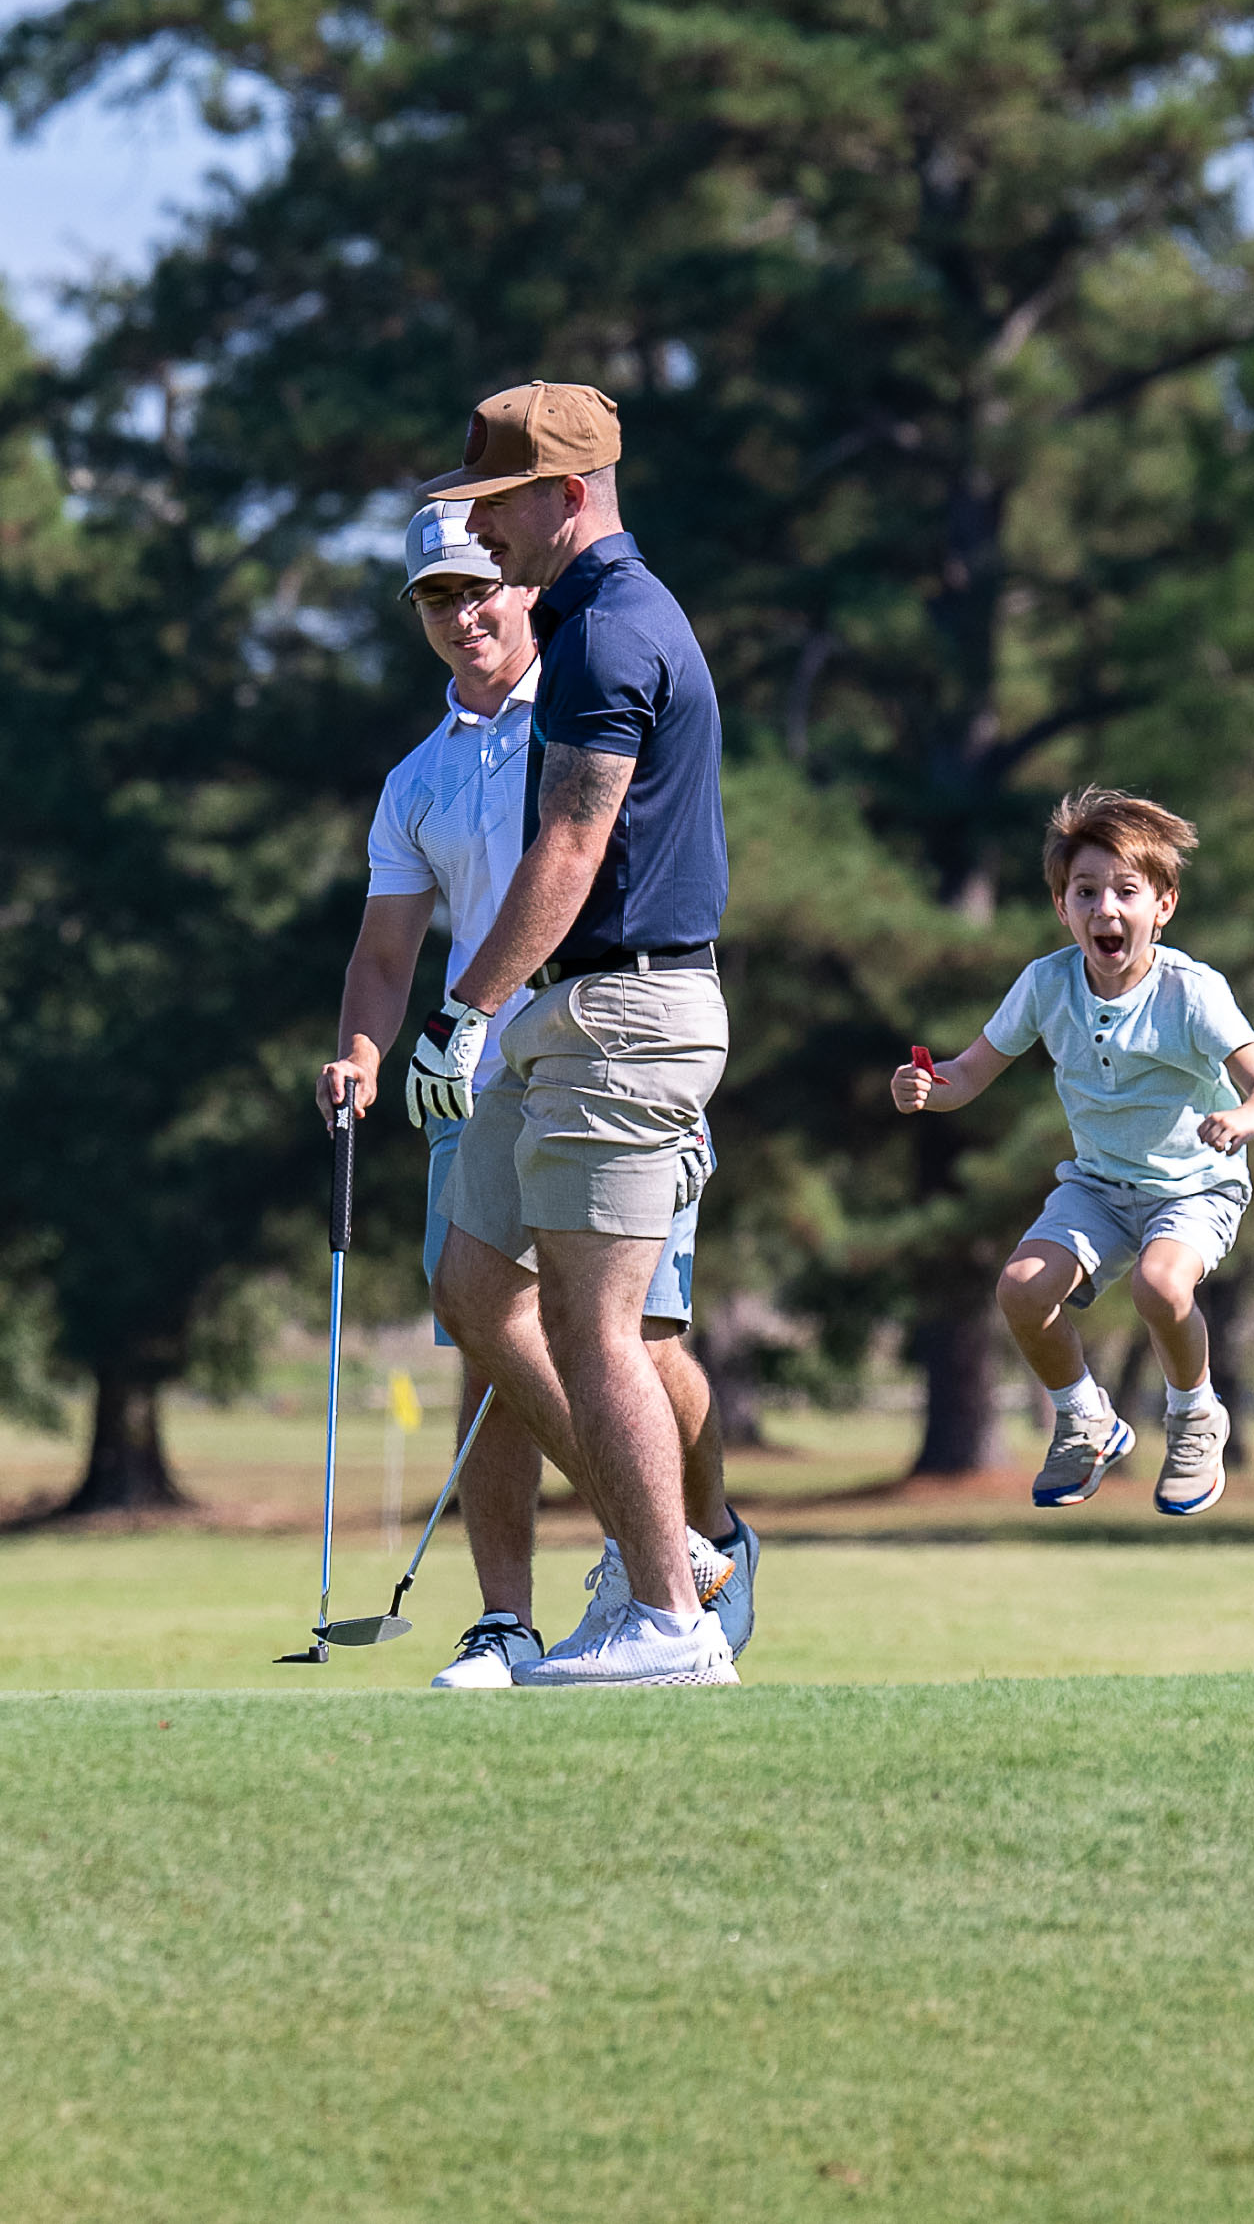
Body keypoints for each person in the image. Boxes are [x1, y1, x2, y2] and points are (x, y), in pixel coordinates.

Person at [317, 498, 756, 1690]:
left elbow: (583, 856)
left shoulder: (585, 688)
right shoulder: (415, 778)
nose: (465, 613)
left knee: (630, 1336)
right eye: (436, 598)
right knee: (483, 1319)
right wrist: (366, 1047)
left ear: (519, 579)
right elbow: (383, 948)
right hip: (481, 1075)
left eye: (479, 585)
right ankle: (523, 1614)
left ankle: (688, 1553)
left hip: (607, 1039)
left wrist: (463, 1015)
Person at [891, 788, 1254, 1517]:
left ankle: (1195, 1415)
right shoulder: (1046, 984)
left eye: (1125, 891)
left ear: (1163, 905)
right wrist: (926, 1086)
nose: (1105, 907)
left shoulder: (1192, 992)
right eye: (1085, 891)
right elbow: (968, 1071)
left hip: (1194, 1187)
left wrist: (1244, 1117)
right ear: (1061, 907)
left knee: (1161, 1285)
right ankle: (1085, 1418)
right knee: (1018, 1287)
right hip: (1100, 1187)